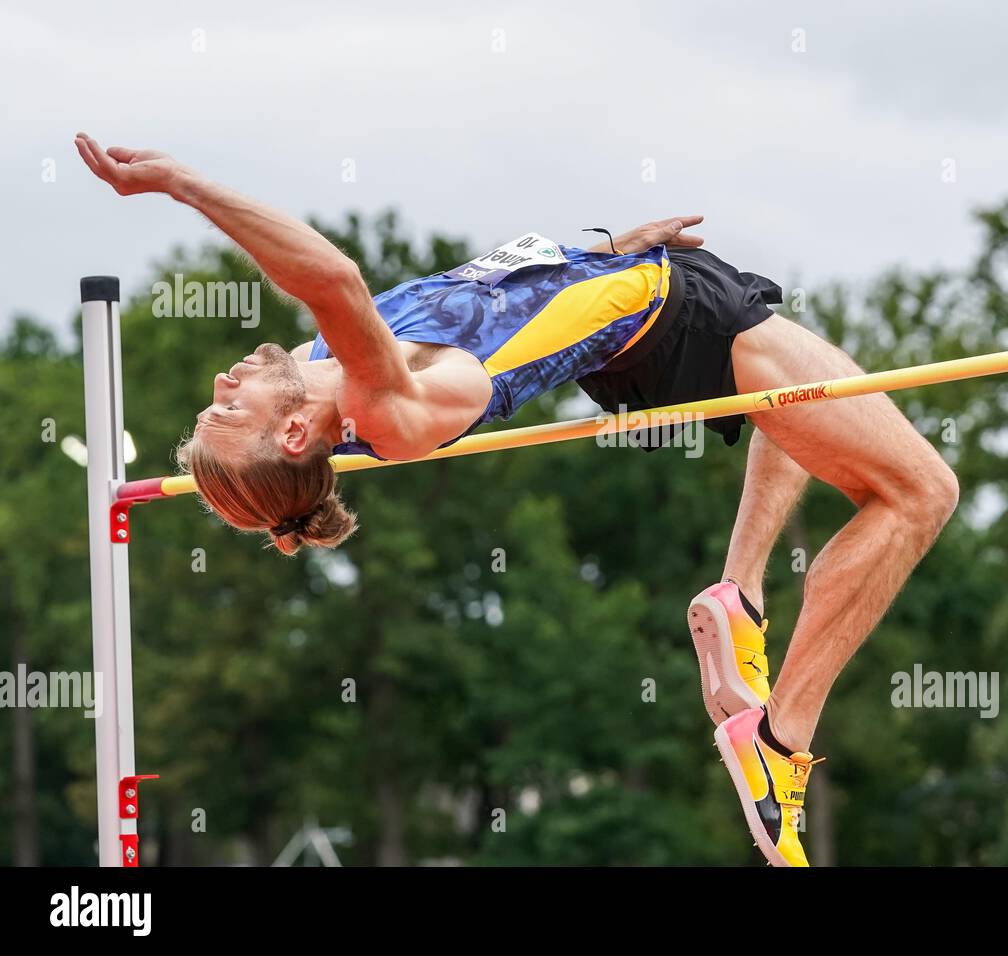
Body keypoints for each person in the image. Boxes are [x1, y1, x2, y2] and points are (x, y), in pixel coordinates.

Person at [76, 132, 960, 867]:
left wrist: (602, 249)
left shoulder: (321, 378)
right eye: (228, 406)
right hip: (679, 319)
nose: (227, 377)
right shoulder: (383, 401)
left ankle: (739, 592)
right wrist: (179, 184)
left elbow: (480, 293)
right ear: (297, 437)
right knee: (919, 493)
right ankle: (779, 745)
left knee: (816, 408)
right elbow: (332, 278)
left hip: (645, 297)